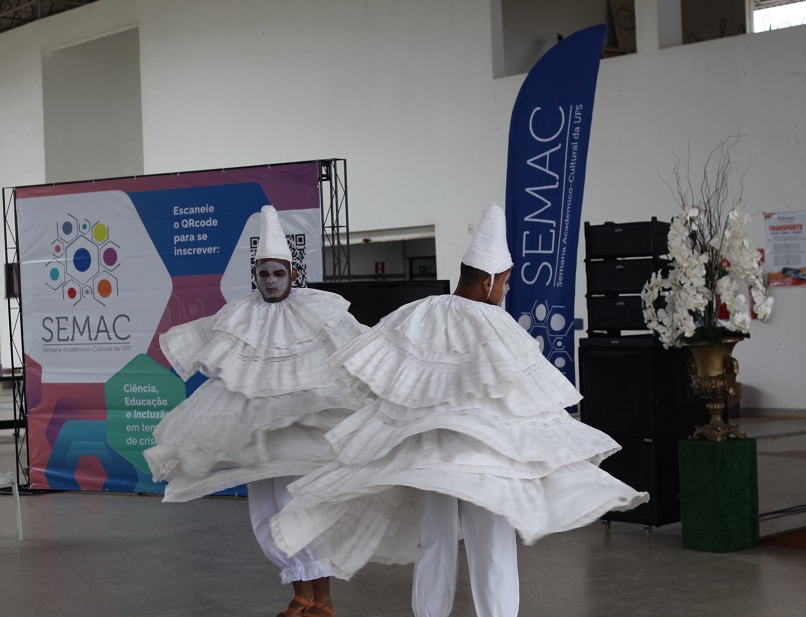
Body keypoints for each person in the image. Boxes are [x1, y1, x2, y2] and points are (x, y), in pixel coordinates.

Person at [271, 203, 649, 617]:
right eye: (505, 283)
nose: (506, 292)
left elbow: (387, 372)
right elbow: (520, 396)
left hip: (429, 454)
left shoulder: (420, 313)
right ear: (488, 281)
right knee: (492, 549)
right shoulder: (497, 325)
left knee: (433, 543)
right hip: (483, 461)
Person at [145, 205, 367, 617]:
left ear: (293, 274)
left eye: (277, 273)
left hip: (301, 432)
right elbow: (209, 347)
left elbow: (358, 350)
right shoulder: (240, 312)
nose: (269, 281)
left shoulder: (317, 309)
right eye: (263, 273)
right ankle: (301, 594)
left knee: (300, 510)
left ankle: (324, 601)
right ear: (255, 276)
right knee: (266, 515)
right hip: (257, 436)